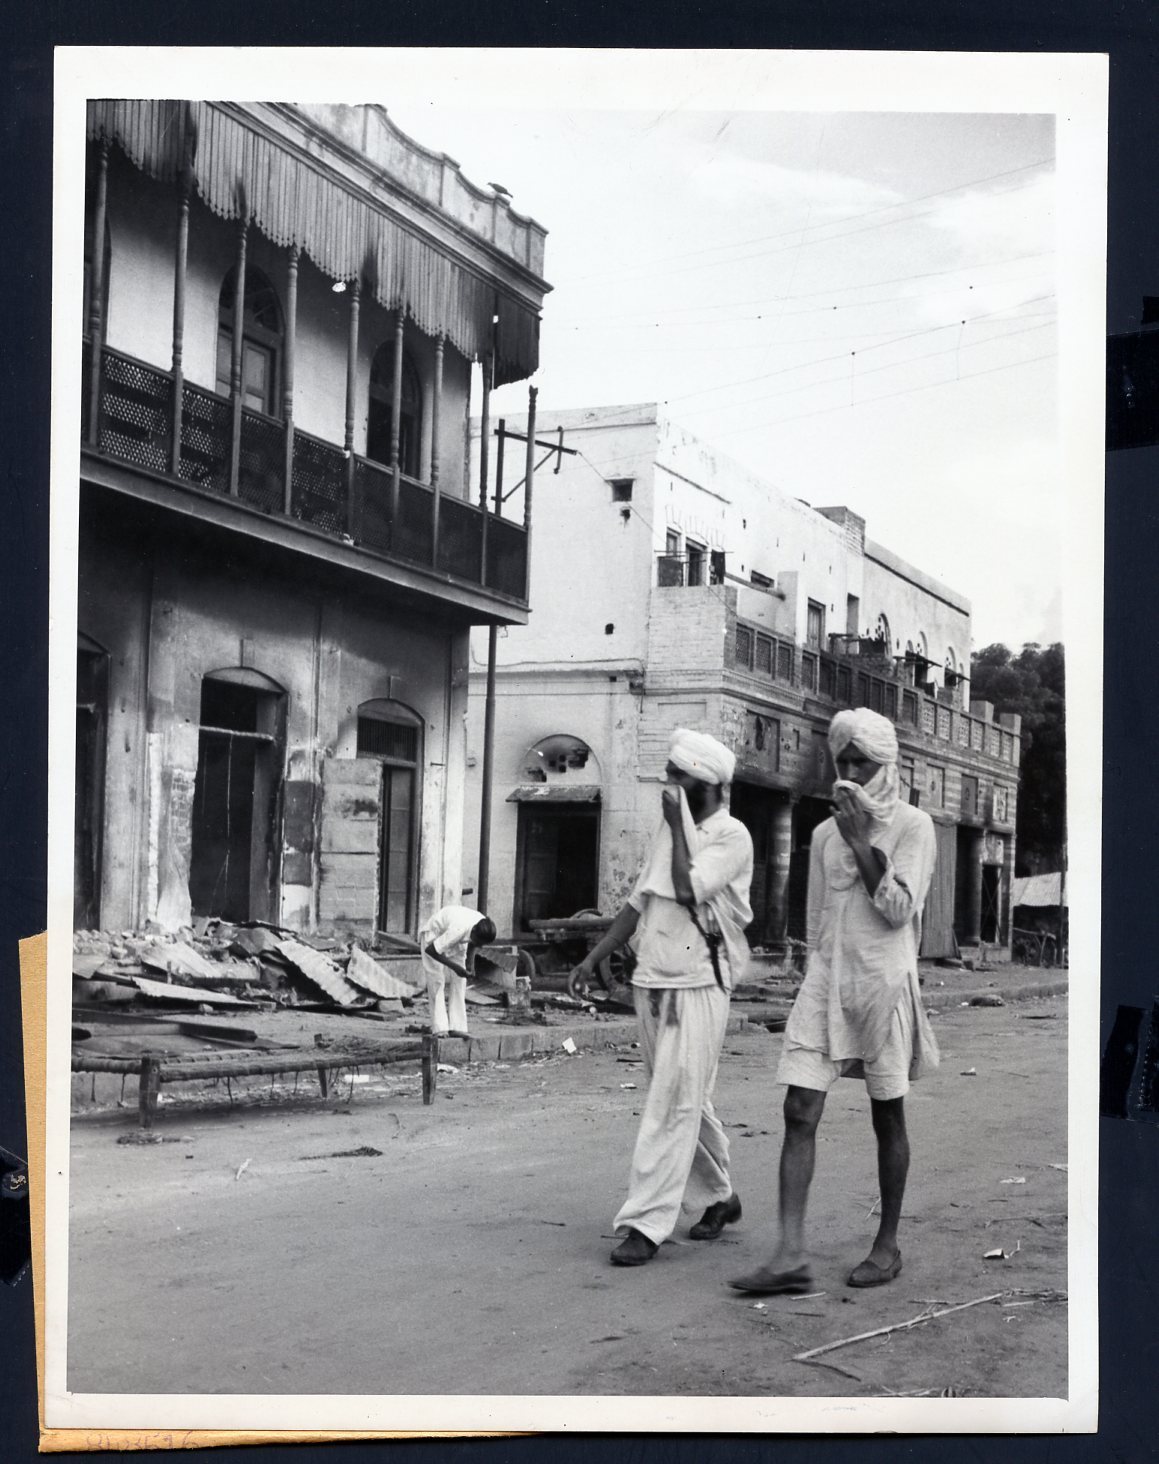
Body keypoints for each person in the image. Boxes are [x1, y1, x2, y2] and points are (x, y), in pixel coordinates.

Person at [731, 707, 939, 1297]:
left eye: (861, 762)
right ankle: (790, 1253)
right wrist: (811, 977)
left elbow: (899, 911)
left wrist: (860, 838)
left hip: (883, 982)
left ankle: (887, 1243)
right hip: (827, 979)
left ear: (885, 766)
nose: (849, 771)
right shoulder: (822, 834)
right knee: (799, 1108)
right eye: (842, 759)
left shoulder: (913, 827)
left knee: (886, 1112)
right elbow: (822, 917)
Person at [571, 728, 754, 1267]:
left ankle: (646, 1224)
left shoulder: (732, 835)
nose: (668, 786)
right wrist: (595, 954)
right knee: (683, 1097)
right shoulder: (667, 829)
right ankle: (721, 1195)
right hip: (652, 978)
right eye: (670, 776)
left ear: (708, 785)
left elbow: (687, 887)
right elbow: (640, 901)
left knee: (671, 1102)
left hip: (698, 984)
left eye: (680, 779)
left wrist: (678, 826)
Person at [419, 906, 497, 1039]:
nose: (480, 946)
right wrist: (455, 967)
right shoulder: (458, 930)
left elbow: (474, 944)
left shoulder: (482, 924)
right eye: (479, 942)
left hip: (457, 935)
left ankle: (457, 1026)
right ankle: (440, 1028)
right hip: (434, 934)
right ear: (473, 933)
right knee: (437, 980)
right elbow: (431, 951)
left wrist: (470, 965)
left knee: (460, 981)